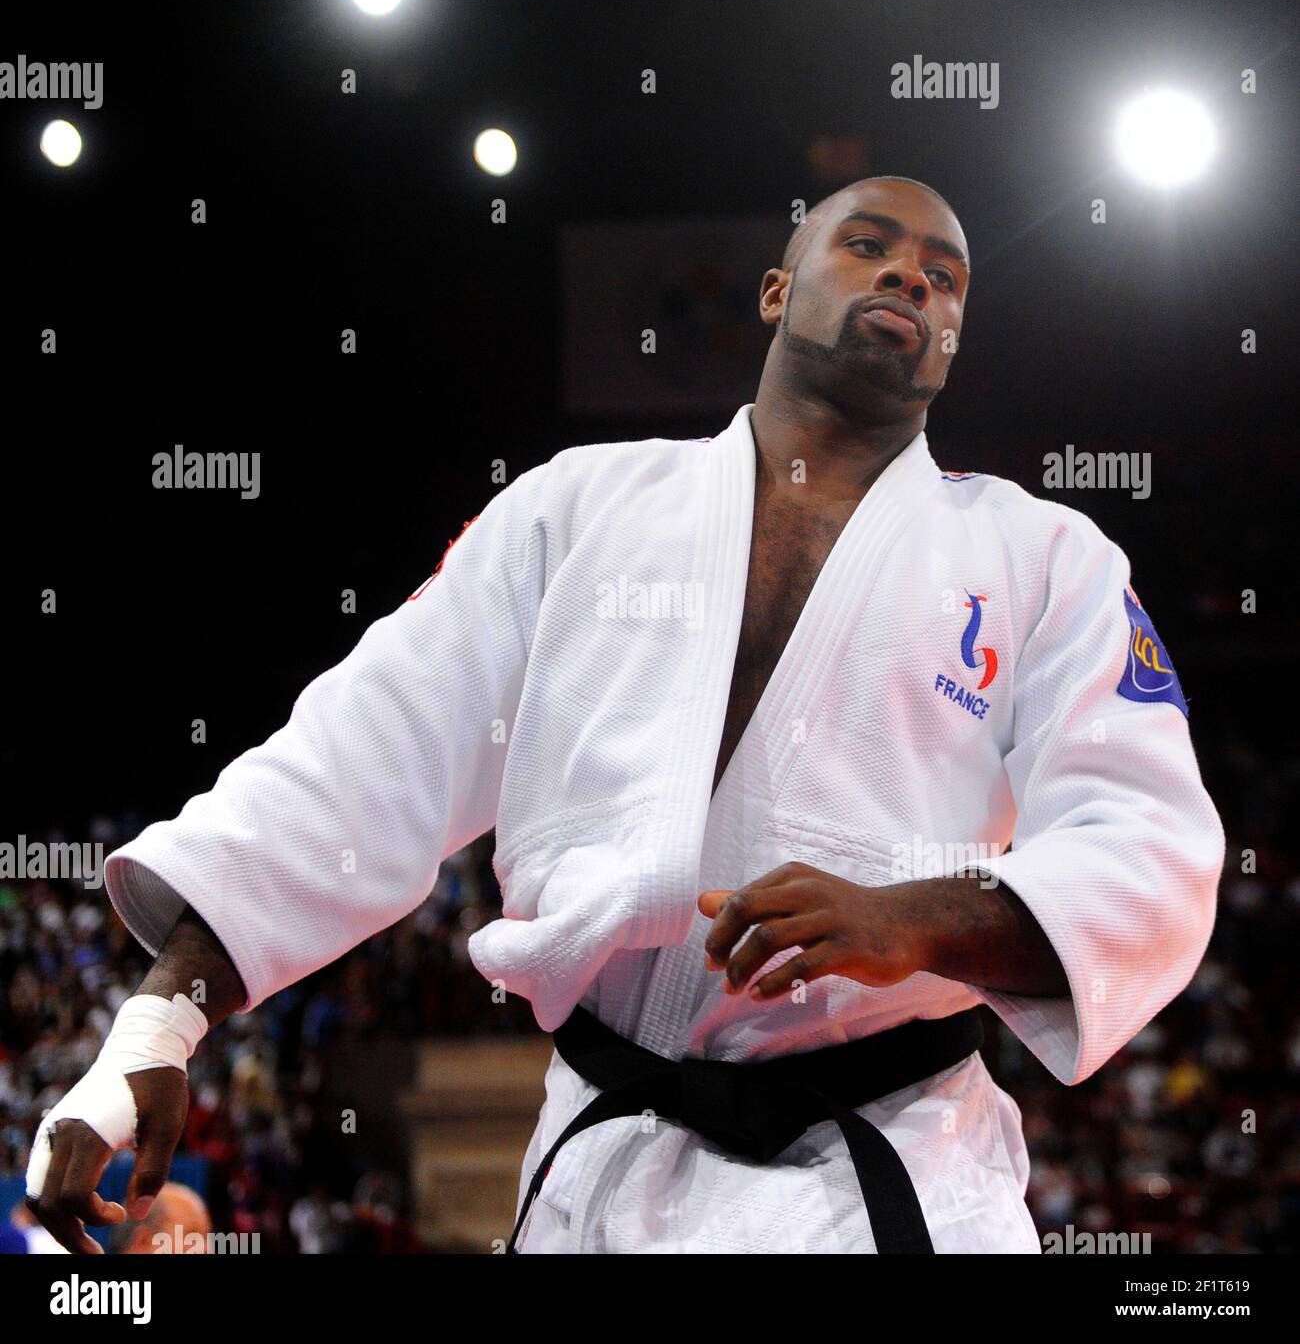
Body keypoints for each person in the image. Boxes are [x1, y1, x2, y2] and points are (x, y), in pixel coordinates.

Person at [25, 176, 1223, 1253]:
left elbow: (1150, 851)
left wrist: (910, 918)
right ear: (774, 289)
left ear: (953, 341)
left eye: (945, 273)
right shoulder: (576, 510)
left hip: (901, 1174)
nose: (911, 272)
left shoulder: (1046, 556)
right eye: (867, 243)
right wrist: (153, 1028)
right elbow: (355, 768)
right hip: (603, 1173)